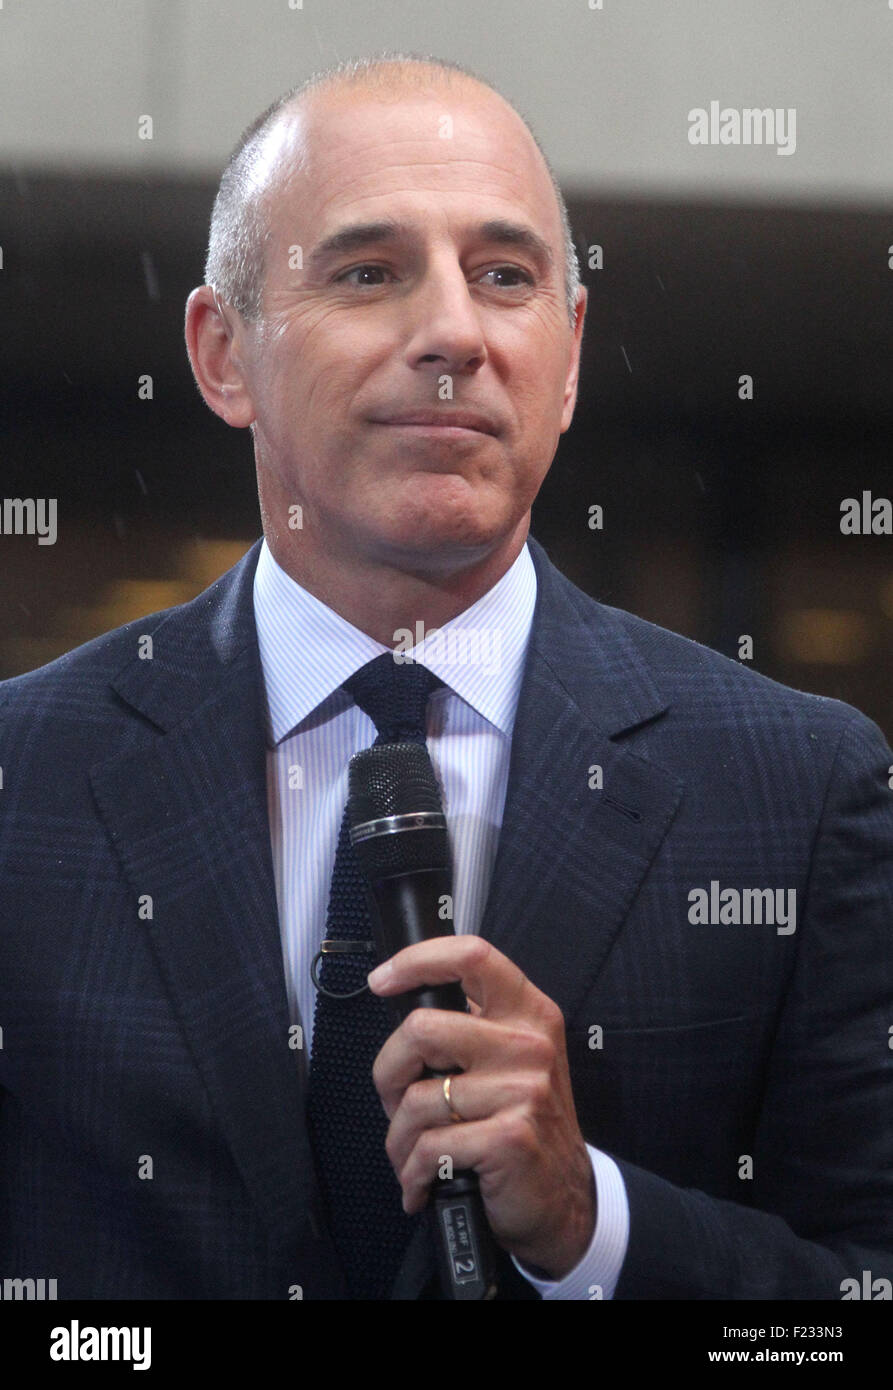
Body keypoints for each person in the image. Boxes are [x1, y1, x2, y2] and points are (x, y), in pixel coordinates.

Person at [0, 52, 890, 1302]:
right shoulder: (25, 776)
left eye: (505, 277)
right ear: (221, 354)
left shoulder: (796, 790)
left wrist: (592, 1226)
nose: (452, 335)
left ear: (568, 354)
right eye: (368, 272)